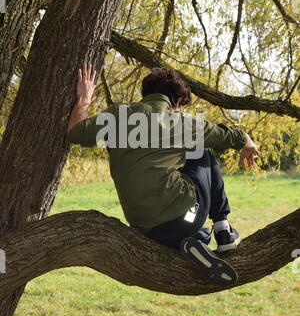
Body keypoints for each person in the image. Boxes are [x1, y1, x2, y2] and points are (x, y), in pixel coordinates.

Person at [67, 64, 261, 286]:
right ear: (176, 102)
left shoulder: (117, 117)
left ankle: (197, 239)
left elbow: (76, 132)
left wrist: (84, 98)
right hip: (186, 215)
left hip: (145, 228)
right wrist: (248, 141)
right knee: (202, 150)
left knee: (188, 224)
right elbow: (228, 136)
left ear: (146, 94)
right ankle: (223, 230)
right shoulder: (181, 123)